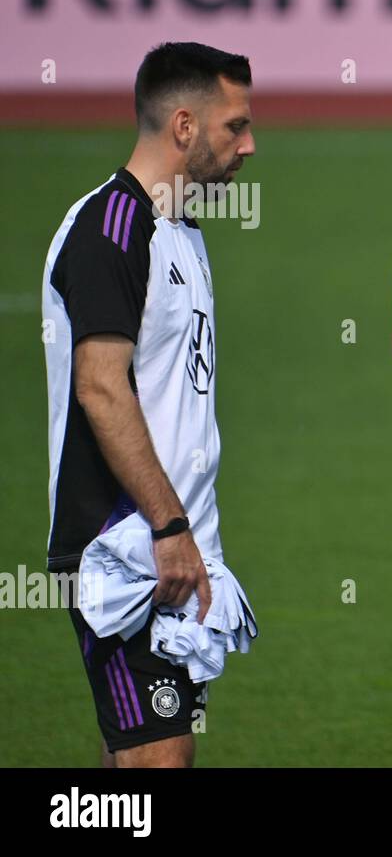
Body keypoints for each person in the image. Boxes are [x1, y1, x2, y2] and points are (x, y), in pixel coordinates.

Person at [42, 41, 255, 767]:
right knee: (157, 764)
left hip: (170, 549)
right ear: (186, 126)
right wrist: (167, 524)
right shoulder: (112, 230)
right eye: (236, 127)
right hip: (123, 549)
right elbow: (101, 385)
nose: (249, 146)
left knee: (137, 768)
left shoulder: (181, 232)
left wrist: (185, 532)